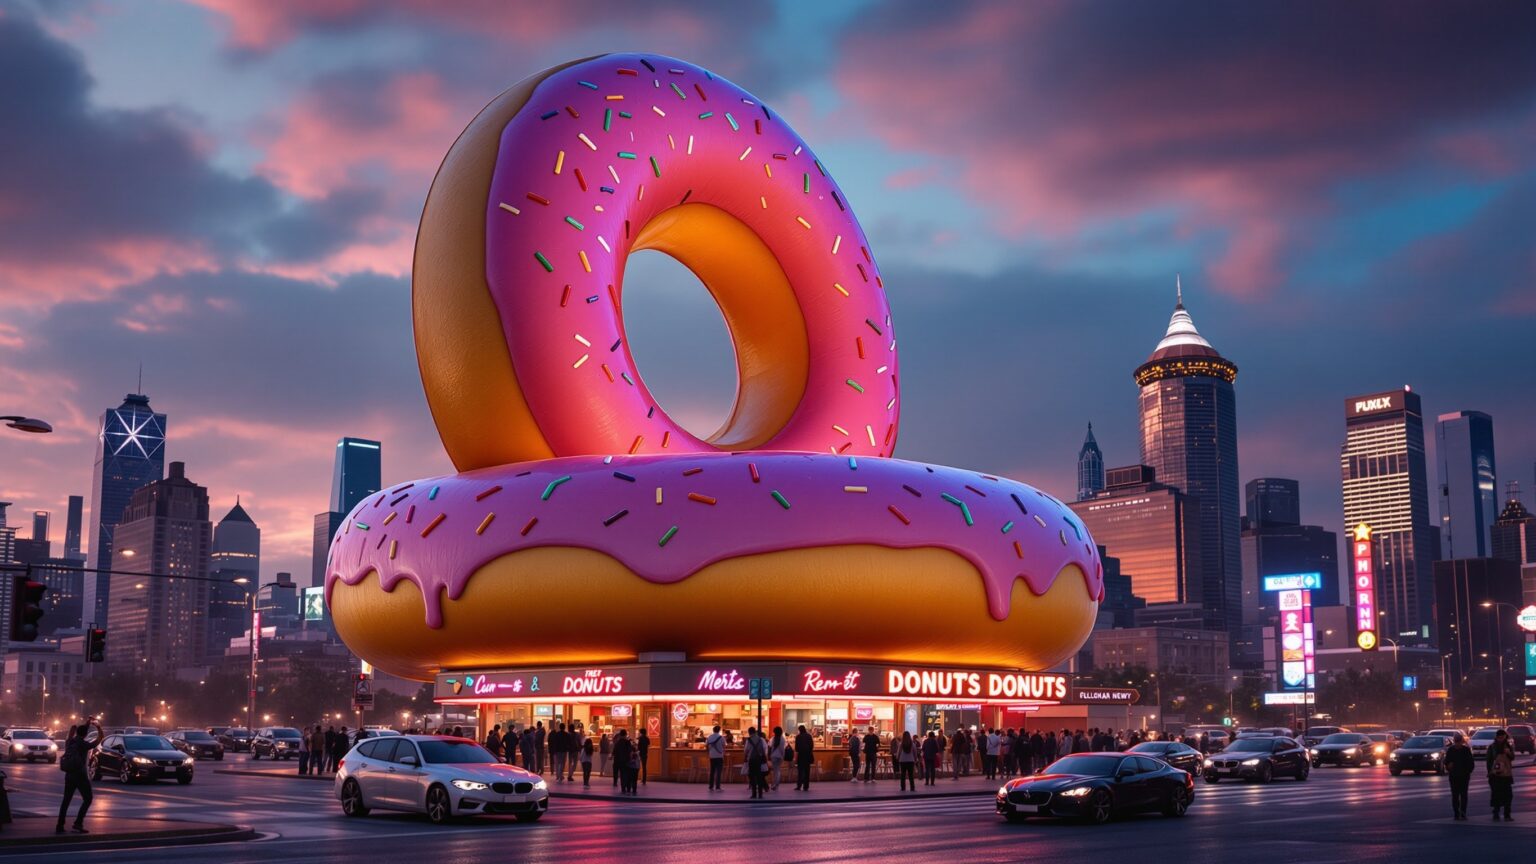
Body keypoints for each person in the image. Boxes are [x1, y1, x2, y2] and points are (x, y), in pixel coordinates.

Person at [57, 719, 101, 834]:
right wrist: (98, 728)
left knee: (66, 801)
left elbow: (72, 733)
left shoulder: (70, 742)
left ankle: (60, 825)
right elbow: (98, 740)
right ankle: (78, 823)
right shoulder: (84, 744)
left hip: (69, 774)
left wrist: (83, 725)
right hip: (80, 775)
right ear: (85, 734)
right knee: (88, 799)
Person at [1488, 729, 1515, 821]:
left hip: (1506, 775)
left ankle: (1507, 814)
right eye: (1499, 737)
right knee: (1496, 794)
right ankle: (1496, 813)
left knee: (1508, 795)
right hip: (1496, 775)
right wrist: (1490, 773)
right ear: (1496, 737)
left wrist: (1509, 753)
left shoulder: (1508, 746)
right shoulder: (1492, 747)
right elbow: (1489, 761)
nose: (1501, 739)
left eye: (1503, 737)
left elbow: (1512, 757)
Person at [1445, 733, 1474, 820]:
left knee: (1462, 795)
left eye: (1458, 741)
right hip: (1455, 776)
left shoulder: (1465, 750)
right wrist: (1448, 766)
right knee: (1457, 795)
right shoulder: (1452, 750)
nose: (1457, 744)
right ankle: (1457, 812)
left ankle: (1462, 812)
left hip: (1462, 776)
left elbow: (1471, 763)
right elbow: (1446, 762)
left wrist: (1468, 771)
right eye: (1456, 741)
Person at [744, 728, 767, 799]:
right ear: (755, 732)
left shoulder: (748, 740)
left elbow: (746, 750)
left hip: (751, 760)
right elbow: (764, 749)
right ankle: (760, 794)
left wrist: (745, 758)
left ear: (749, 732)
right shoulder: (761, 739)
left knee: (752, 777)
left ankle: (754, 794)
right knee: (759, 776)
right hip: (759, 760)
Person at [612, 730, 634, 795]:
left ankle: (623, 788)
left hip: (617, 760)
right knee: (626, 774)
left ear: (620, 735)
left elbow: (614, 751)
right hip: (625, 761)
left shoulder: (617, 742)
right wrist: (630, 759)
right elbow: (630, 752)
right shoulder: (627, 742)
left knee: (621, 774)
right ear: (625, 735)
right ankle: (627, 788)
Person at [794, 725, 815, 791]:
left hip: (801, 755)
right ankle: (806, 786)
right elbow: (812, 746)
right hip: (808, 755)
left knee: (800, 771)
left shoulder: (798, 737)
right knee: (807, 771)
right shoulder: (809, 736)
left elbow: (796, 748)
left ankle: (799, 786)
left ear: (799, 730)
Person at [706, 725, 725, 791]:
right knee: (718, 772)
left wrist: (708, 753)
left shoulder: (709, 737)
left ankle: (711, 786)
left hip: (712, 756)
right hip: (719, 756)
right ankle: (717, 787)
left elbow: (706, 746)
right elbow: (724, 746)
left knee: (712, 771)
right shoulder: (721, 738)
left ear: (713, 730)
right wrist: (723, 753)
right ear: (719, 730)